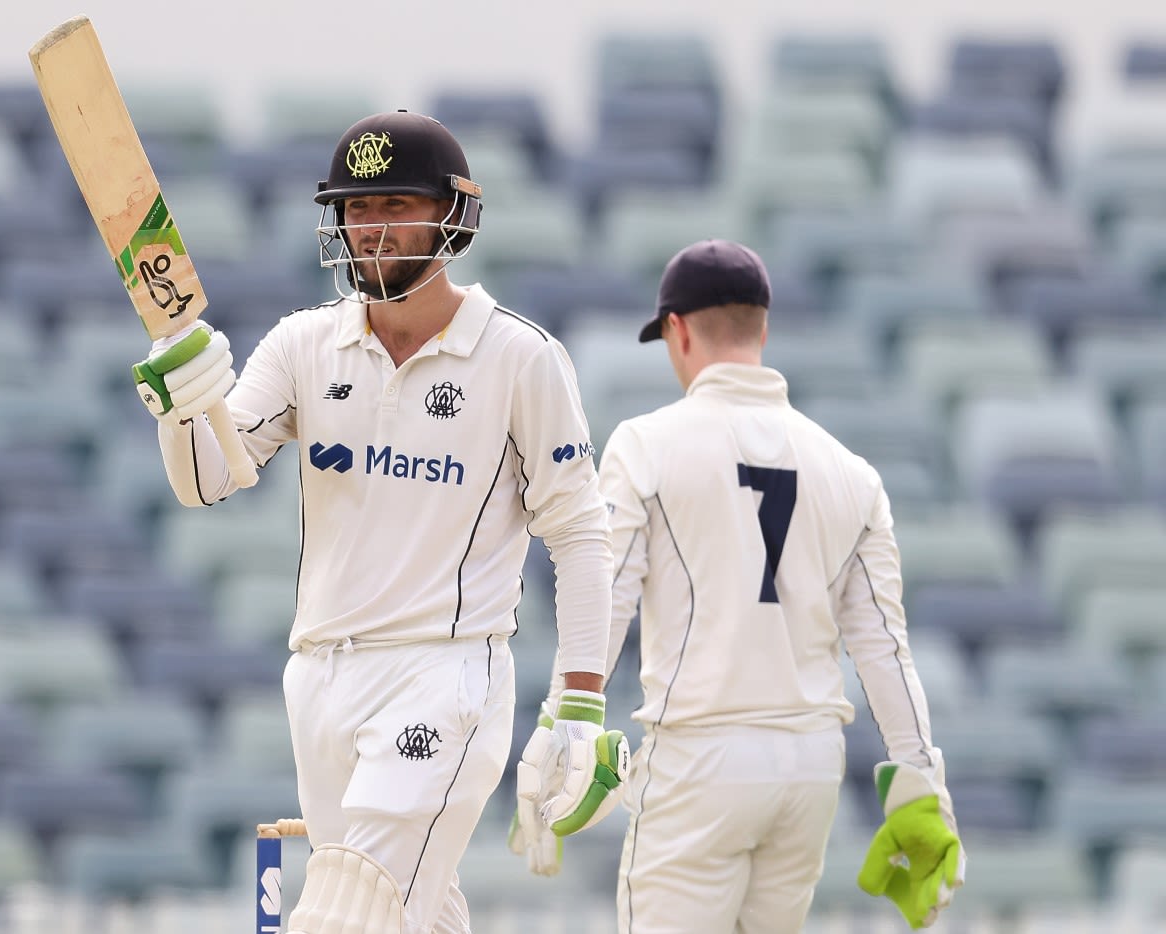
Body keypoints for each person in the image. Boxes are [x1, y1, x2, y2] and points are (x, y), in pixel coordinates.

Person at [129, 110, 627, 934]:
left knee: (343, 913)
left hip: (445, 678)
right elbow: (210, 479)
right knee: (411, 917)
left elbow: (578, 531)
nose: (371, 228)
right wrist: (183, 406)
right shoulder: (303, 346)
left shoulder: (519, 357)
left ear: (450, 217)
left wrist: (578, 701)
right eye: (356, 209)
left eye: (395, 204)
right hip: (320, 679)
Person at [593, 239, 965, 932]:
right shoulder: (852, 474)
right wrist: (921, 781)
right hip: (808, 767)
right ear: (763, 328)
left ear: (676, 330)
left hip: (701, 753)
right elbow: (885, 648)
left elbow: (607, 597)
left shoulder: (645, 444)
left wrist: (570, 717)